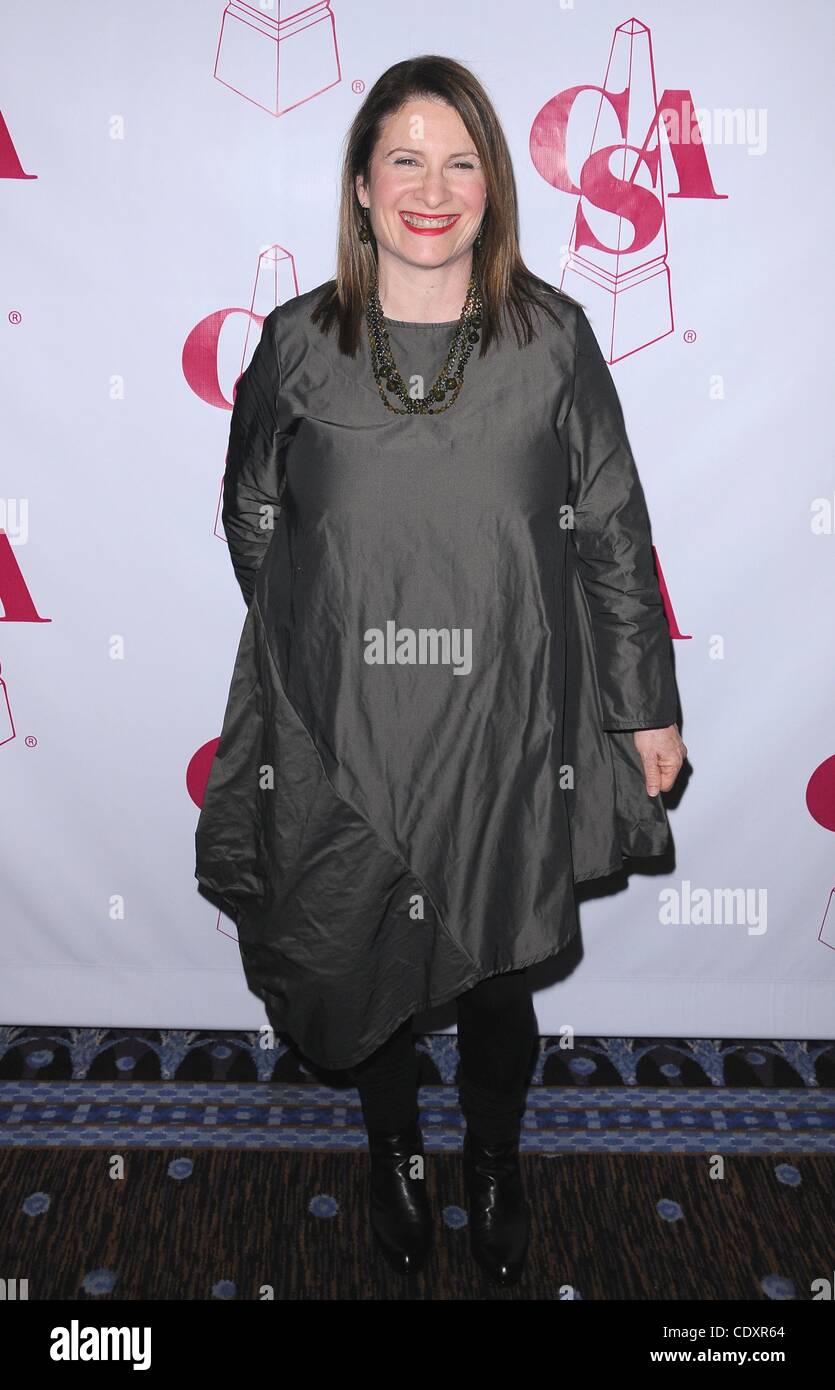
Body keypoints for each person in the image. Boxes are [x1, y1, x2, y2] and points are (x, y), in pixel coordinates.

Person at [195, 54, 687, 1287]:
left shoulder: (553, 340)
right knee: (360, 952)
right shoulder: (297, 345)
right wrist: (318, 635)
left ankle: (495, 1152)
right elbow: (253, 513)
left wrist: (642, 710)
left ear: (493, 186)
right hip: (347, 724)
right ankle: (394, 1145)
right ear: (360, 185)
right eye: (403, 159)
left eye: (459, 160)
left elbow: (614, 531)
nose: (432, 186)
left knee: (496, 974)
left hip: (507, 726)